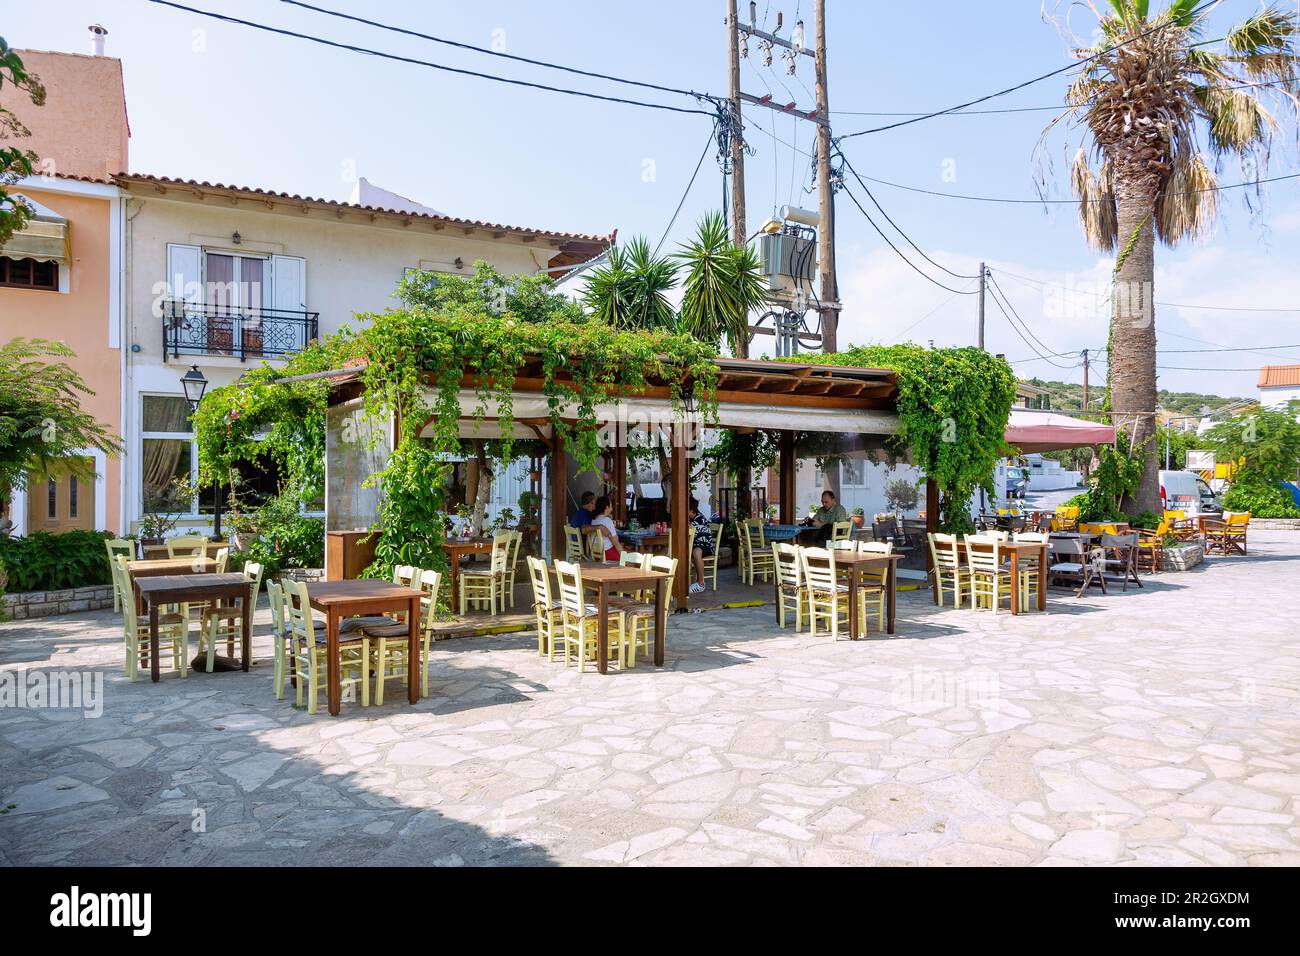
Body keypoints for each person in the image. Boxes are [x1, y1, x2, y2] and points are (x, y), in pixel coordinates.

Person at [688, 497, 714, 594]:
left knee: (696, 552)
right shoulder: (692, 519)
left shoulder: (699, 519)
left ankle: (700, 584)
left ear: (691, 510)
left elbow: (688, 530)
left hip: (705, 546)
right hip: (695, 545)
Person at [590, 496, 623, 562]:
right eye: (611, 506)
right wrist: (624, 556)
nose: (612, 509)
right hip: (607, 553)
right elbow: (616, 542)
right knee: (631, 557)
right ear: (606, 507)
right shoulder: (607, 520)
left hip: (596, 554)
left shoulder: (593, 521)